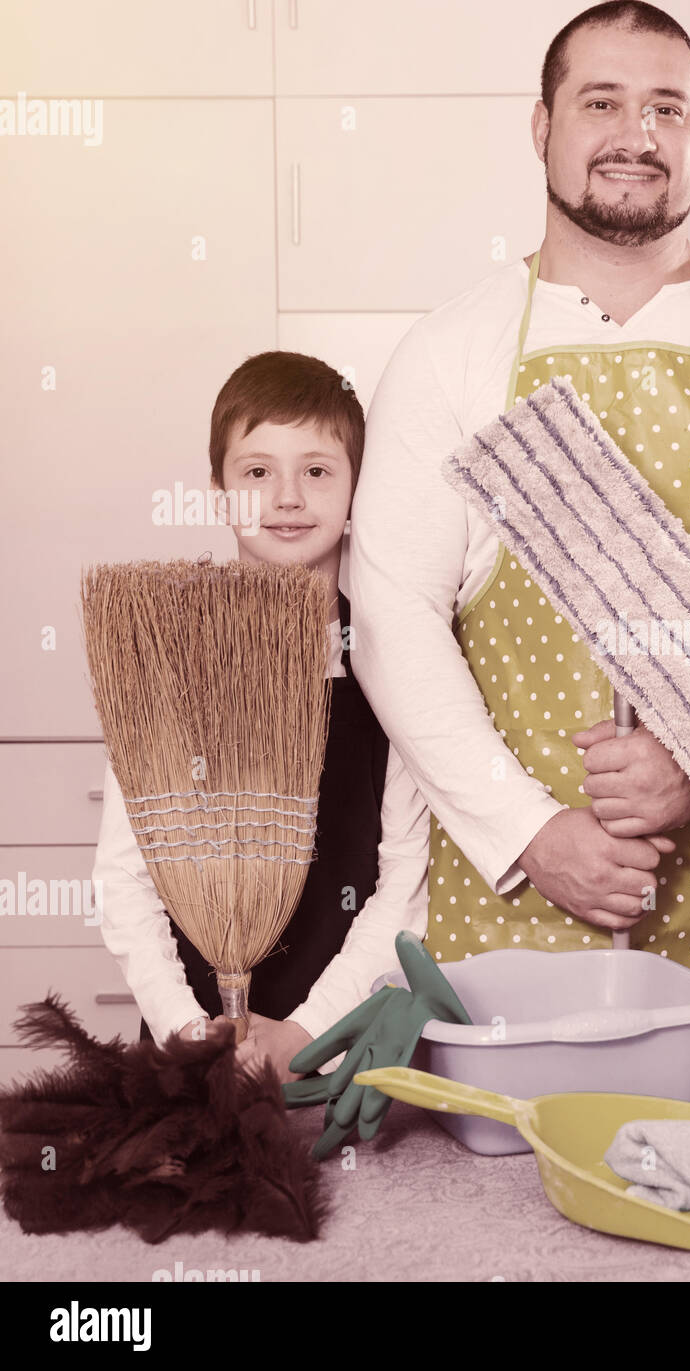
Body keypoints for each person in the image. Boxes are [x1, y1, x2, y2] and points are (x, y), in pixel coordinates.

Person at [350, 2, 690, 1059]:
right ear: (541, 124)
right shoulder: (447, 352)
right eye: (600, 102)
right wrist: (529, 832)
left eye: (665, 109)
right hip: (511, 907)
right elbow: (391, 617)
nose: (633, 134)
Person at [92, 352, 432, 1082]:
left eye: (316, 470)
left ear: (355, 491)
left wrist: (305, 1033)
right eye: (256, 472)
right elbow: (124, 881)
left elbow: (404, 881)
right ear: (218, 491)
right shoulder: (160, 656)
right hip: (190, 1066)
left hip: (339, 1057)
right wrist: (192, 1031)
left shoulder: (394, 662)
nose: (286, 497)